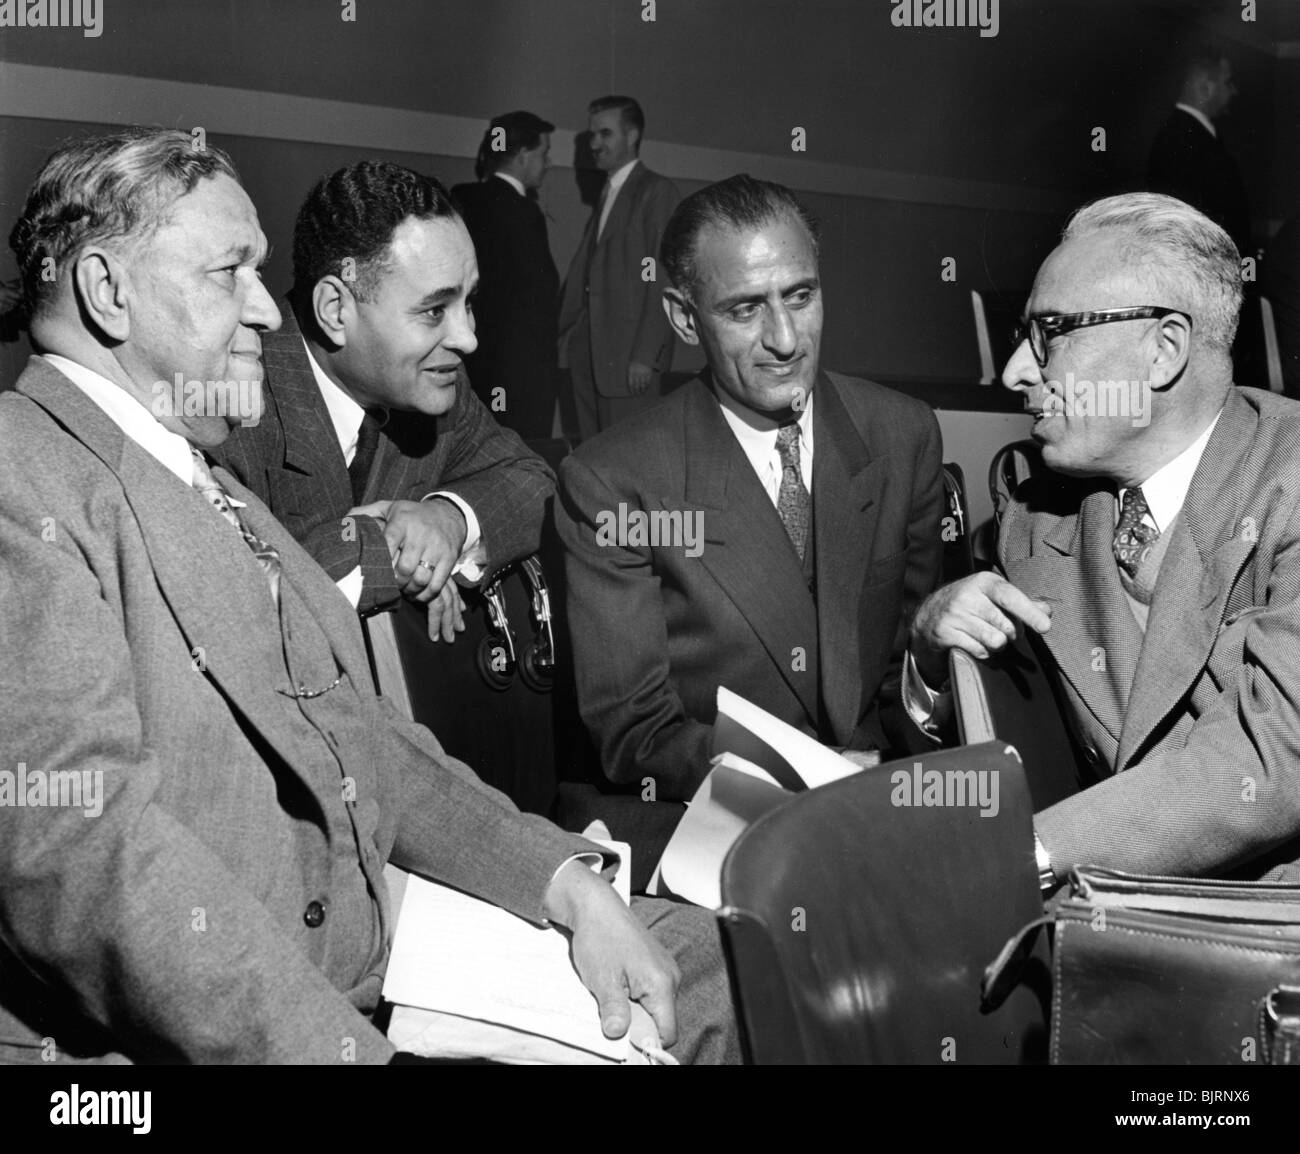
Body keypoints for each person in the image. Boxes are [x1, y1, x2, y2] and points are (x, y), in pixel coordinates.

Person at [0, 127, 736, 1064]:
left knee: (717, 965)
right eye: (232, 272)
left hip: (370, 950)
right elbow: (83, 862)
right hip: (233, 1025)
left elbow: (368, 743)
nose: (270, 313)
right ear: (108, 292)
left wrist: (568, 882)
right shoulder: (21, 478)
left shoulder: (207, 485)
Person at [910, 192, 1300, 890]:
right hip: (1099, 935)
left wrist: (1024, 855)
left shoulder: (1289, 479)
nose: (1016, 374)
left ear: (1164, 351)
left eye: (1052, 333)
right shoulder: (1032, 519)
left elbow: (1273, 757)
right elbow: (985, 760)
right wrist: (933, 658)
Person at [556, 174, 945, 807]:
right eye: (745, 309)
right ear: (684, 319)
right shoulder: (614, 483)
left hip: (887, 797)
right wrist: (813, 774)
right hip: (717, 815)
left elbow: (917, 664)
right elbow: (637, 735)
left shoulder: (904, 434)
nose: (786, 339)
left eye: (800, 296)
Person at [214, 161, 554, 641]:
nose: (468, 338)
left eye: (468, 303)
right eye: (435, 310)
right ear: (335, 310)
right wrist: (388, 553)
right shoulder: (230, 402)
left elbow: (531, 480)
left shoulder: (434, 379)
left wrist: (449, 518)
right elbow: (231, 598)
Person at [557, 96, 680, 439]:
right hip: (588, 358)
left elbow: (659, 276)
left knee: (627, 465)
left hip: (628, 363)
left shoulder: (655, 192)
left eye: (605, 134)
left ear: (632, 135)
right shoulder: (608, 193)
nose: (595, 143)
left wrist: (645, 355)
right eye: (592, 134)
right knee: (592, 464)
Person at [452, 111, 561, 440]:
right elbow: (541, 292)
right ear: (525, 156)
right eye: (544, 153)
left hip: (472, 364)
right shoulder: (523, 210)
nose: (548, 163)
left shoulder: (463, 198)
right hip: (520, 373)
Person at [1147, 53, 1250, 254]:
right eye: (1227, 82)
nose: (1234, 91)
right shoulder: (1179, 139)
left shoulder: (1197, 135)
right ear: (1205, 86)